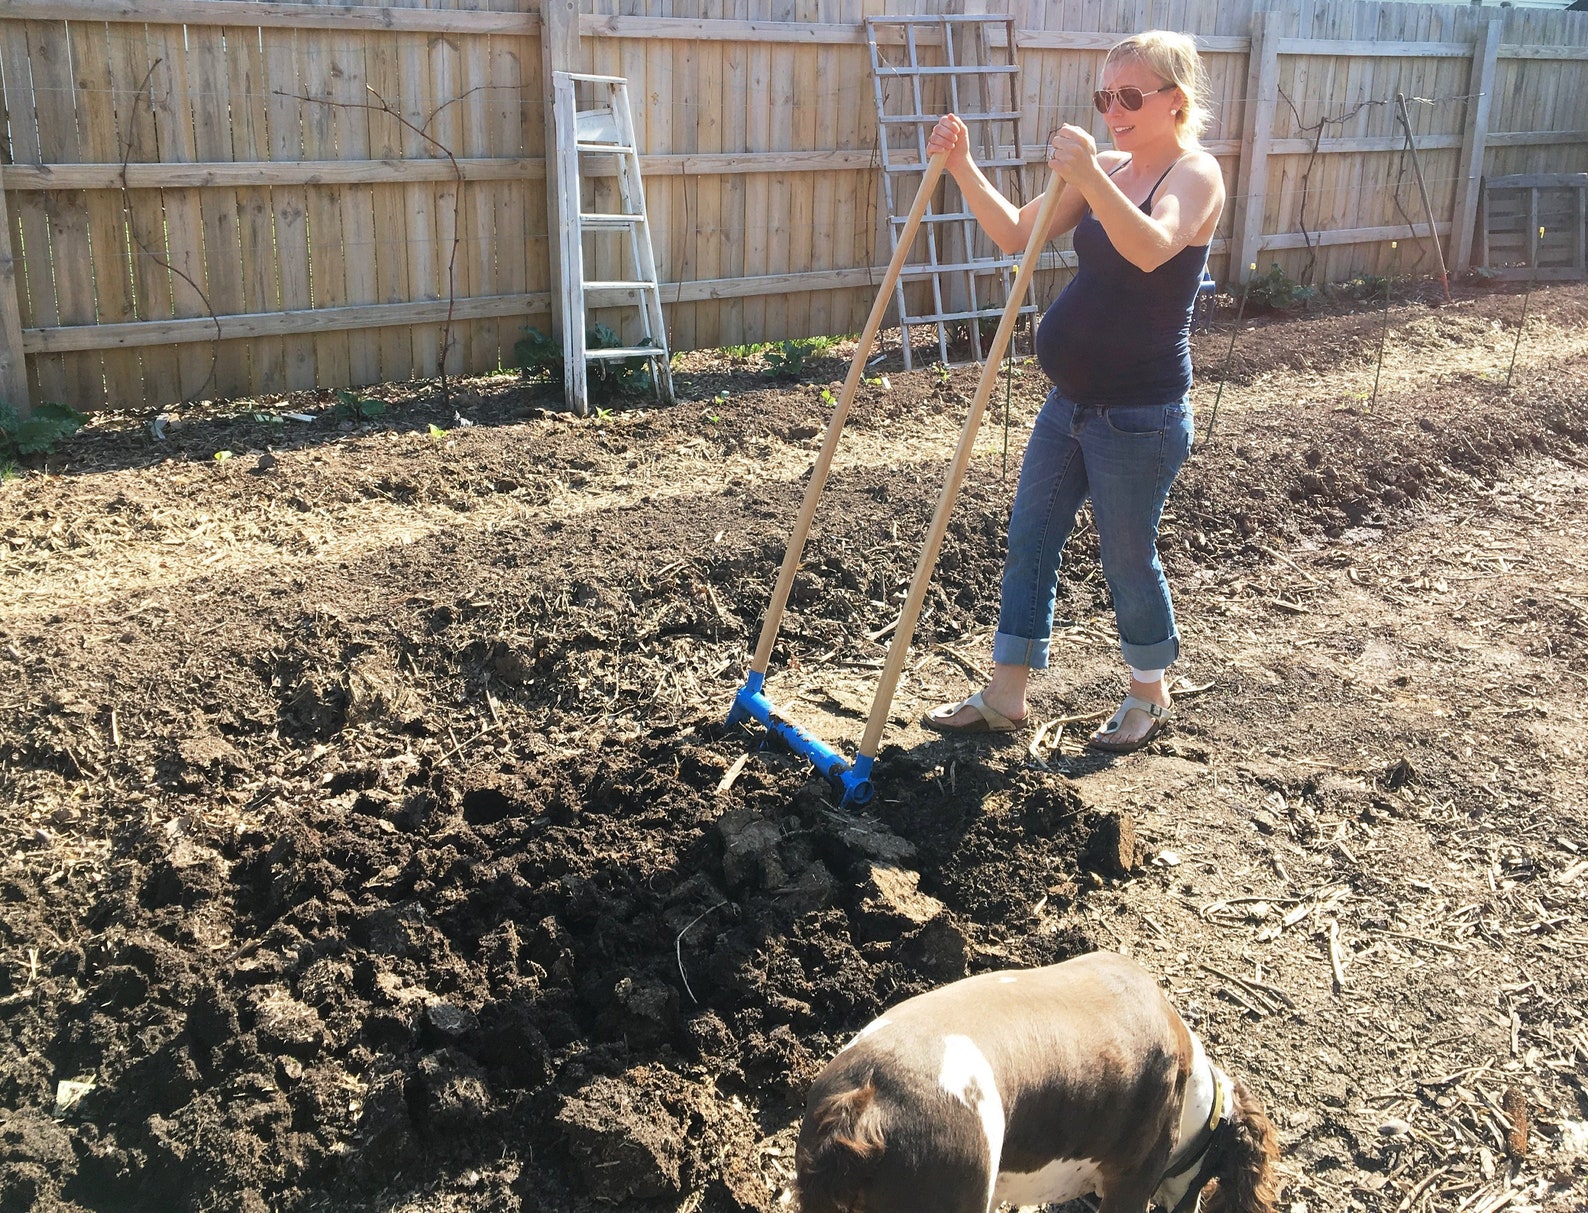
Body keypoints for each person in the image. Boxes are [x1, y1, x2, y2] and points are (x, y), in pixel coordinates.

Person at [922, 30, 1226, 753]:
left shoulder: (1195, 173)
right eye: (1103, 96)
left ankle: (1149, 690)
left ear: (1174, 102)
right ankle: (1005, 693)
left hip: (1141, 415)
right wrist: (961, 165)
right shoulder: (1108, 168)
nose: (1113, 109)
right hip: (1069, 404)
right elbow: (1014, 234)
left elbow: (1153, 247)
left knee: (1126, 556)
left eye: (1128, 96)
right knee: (1030, 537)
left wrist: (1090, 177)